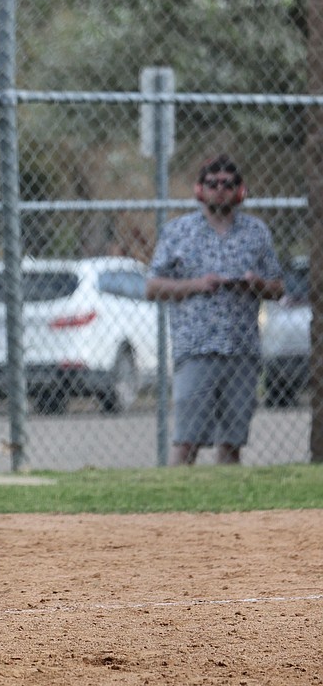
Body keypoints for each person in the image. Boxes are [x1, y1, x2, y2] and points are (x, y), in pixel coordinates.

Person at [145, 154, 284, 465]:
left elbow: (278, 288)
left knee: (232, 444)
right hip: (197, 348)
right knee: (186, 442)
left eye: (228, 184)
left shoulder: (256, 232)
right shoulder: (178, 231)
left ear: (240, 190)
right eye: (213, 184)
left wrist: (255, 283)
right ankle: (172, 508)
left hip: (241, 350)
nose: (220, 189)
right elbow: (152, 287)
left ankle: (229, 511)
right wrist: (197, 285)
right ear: (199, 189)